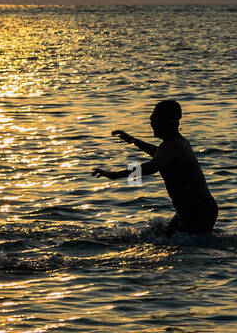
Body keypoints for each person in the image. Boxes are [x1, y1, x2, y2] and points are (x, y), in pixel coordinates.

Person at [92, 99, 218, 236]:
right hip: (196, 209)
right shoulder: (176, 142)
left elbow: (152, 167)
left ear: (164, 122)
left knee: (186, 248)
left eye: (154, 117)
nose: (150, 120)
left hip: (197, 211)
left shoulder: (172, 145)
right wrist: (133, 141)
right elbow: (158, 154)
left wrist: (114, 175)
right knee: (169, 239)